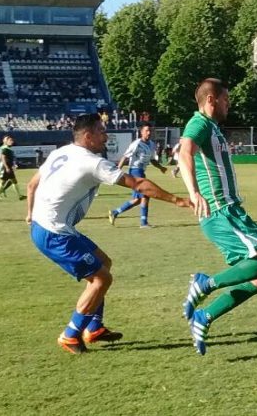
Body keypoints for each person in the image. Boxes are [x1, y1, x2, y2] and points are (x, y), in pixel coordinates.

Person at [25, 113, 191, 354]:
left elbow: (32, 184)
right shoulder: (92, 162)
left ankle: (94, 328)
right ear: (88, 136)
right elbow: (138, 184)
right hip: (55, 233)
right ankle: (71, 334)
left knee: (104, 263)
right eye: (102, 131)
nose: (106, 136)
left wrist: (31, 213)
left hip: (45, 226)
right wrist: (177, 200)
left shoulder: (59, 153)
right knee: (102, 279)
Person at [179, 78, 257, 356]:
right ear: (211, 99)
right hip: (221, 211)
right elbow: (184, 151)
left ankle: (205, 317)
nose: (229, 103)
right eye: (225, 99)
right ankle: (205, 284)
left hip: (231, 211)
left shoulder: (212, 128)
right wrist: (193, 192)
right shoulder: (199, 123)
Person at [108, 123, 167, 228]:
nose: (149, 133)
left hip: (141, 172)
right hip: (135, 172)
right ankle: (143, 223)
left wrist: (161, 167)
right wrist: (117, 170)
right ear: (141, 132)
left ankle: (115, 212)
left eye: (150, 131)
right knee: (146, 195)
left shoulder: (151, 144)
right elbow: (125, 156)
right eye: (146, 130)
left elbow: (152, 160)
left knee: (138, 200)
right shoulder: (136, 144)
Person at [0, 135, 26, 201]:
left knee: (13, 181)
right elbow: (3, 157)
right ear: (5, 141)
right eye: (10, 140)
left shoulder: (8, 148)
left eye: (12, 140)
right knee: (3, 182)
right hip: (5, 167)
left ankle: (20, 196)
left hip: (9, 167)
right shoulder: (4, 148)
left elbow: (8, 158)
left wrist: (13, 165)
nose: (12, 142)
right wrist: (7, 167)